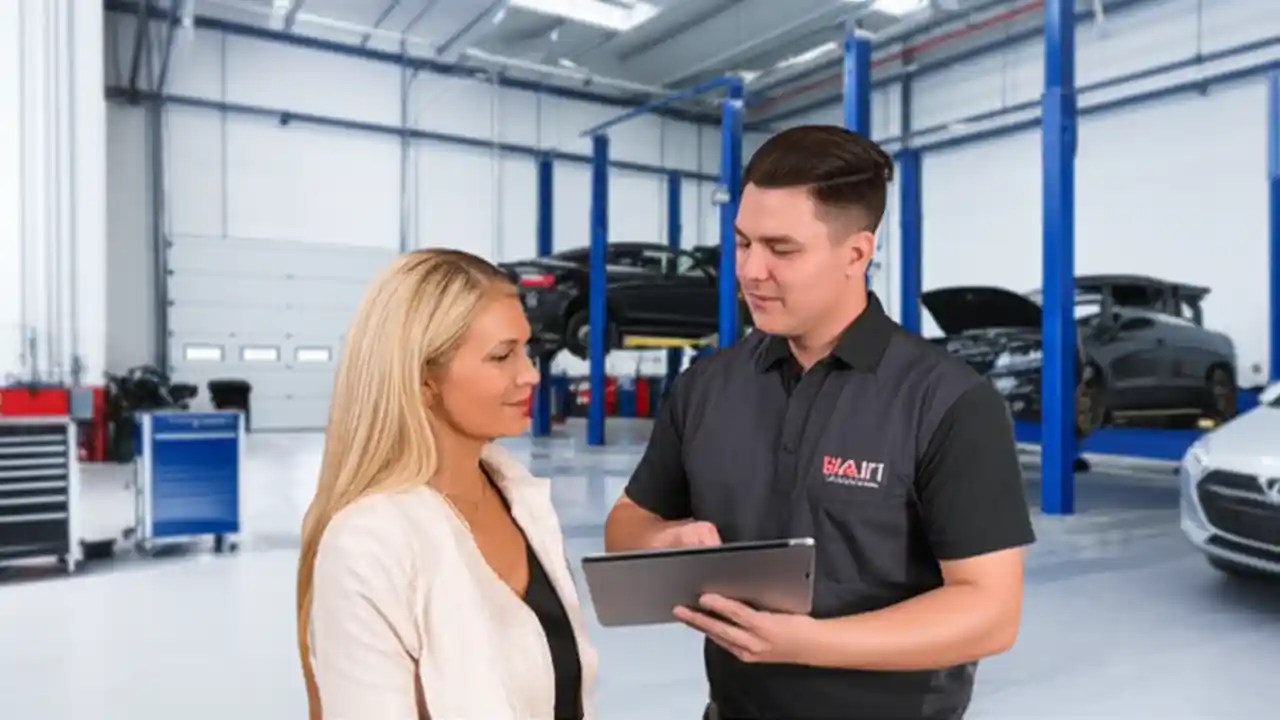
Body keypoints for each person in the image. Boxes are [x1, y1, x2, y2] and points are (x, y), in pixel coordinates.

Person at [604, 125, 1036, 720]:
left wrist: (805, 644)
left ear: (856, 253)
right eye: (742, 242)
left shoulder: (949, 402)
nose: (752, 271)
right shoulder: (706, 386)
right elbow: (627, 524)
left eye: (782, 250)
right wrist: (662, 542)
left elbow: (990, 611)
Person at [296, 249, 598, 720]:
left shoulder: (521, 500)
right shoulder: (369, 543)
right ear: (423, 381)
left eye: (528, 350)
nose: (530, 374)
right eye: (502, 356)